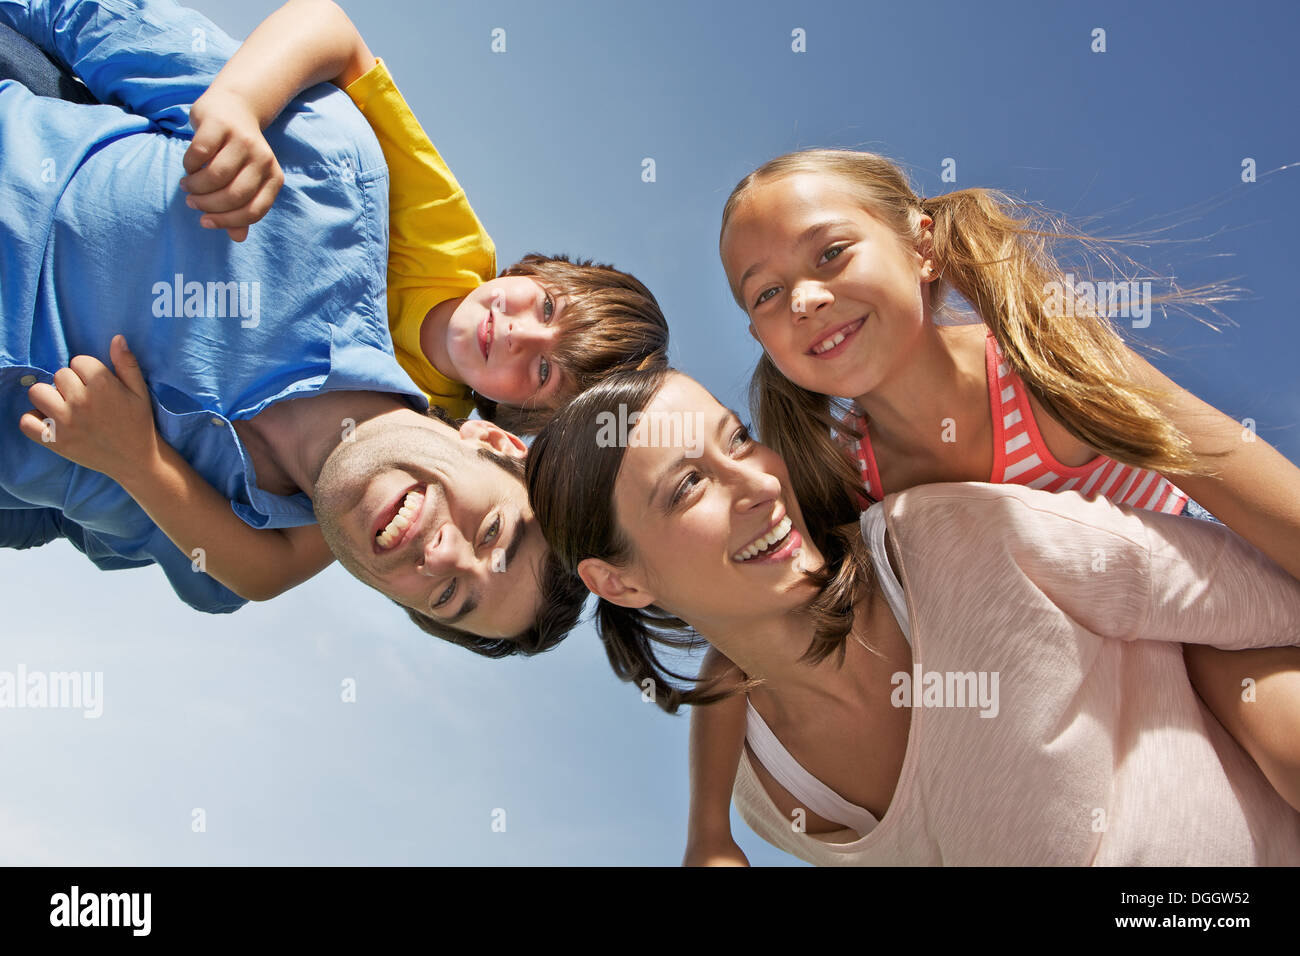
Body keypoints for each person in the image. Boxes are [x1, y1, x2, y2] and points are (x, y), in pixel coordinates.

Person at [676, 147, 1300, 863]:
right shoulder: (846, 486)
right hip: (1079, 707)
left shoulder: (1046, 368)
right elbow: (743, 643)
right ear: (760, 337)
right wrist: (710, 832)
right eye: (766, 294)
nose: (805, 300)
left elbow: (1239, 478)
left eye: (831, 254)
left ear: (922, 247)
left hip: (1198, 628)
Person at [3, 0, 667, 606]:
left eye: (542, 373)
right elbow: (332, 36)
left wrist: (141, 464)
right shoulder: (440, 236)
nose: (519, 334)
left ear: (513, 417)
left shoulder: (386, 457)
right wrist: (240, 102)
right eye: (546, 309)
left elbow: (268, 568)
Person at [526, 367, 1300, 865]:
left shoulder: (955, 540)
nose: (760, 483)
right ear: (618, 582)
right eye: (689, 485)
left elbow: (1270, 597)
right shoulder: (769, 798)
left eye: (741, 440)